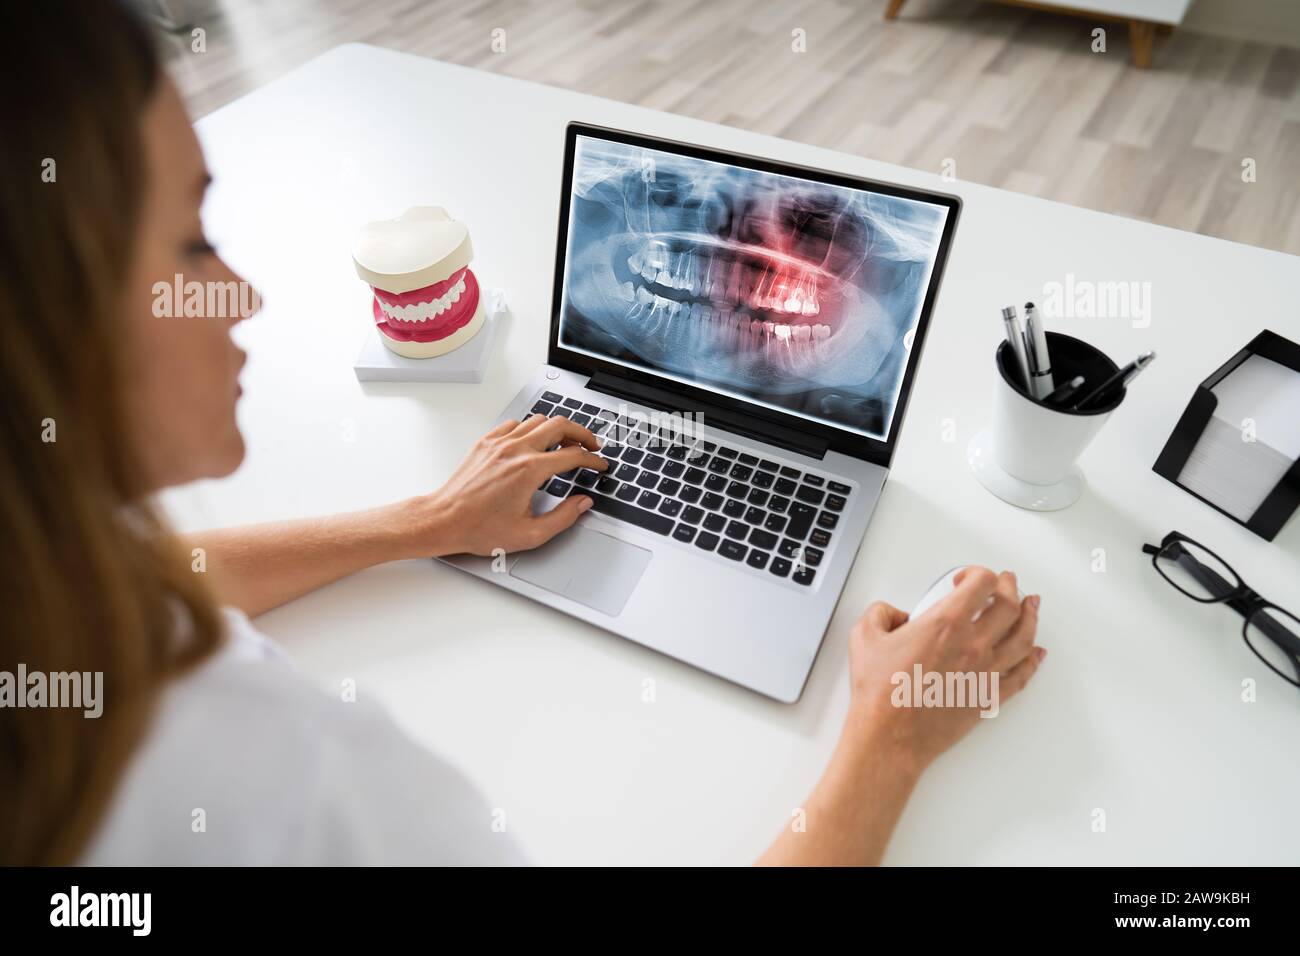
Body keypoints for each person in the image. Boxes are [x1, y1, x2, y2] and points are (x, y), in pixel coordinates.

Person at [0, 0, 1044, 866]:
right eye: (191, 242)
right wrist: (888, 737)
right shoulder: (263, 774)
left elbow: (136, 587)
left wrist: (425, 520)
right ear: (44, 316)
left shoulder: (42, 590)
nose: (240, 294)